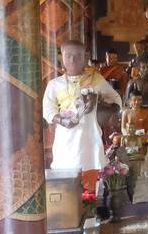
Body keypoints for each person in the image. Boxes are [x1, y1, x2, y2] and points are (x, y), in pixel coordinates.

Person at [42, 40, 122, 184]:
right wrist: (61, 120)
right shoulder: (54, 84)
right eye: (68, 56)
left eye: (77, 56)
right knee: (68, 186)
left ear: (85, 58)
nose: (72, 60)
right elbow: (47, 109)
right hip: (65, 140)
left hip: (89, 139)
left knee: (89, 185)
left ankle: (89, 205)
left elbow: (116, 101)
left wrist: (98, 103)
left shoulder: (95, 80)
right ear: (62, 59)